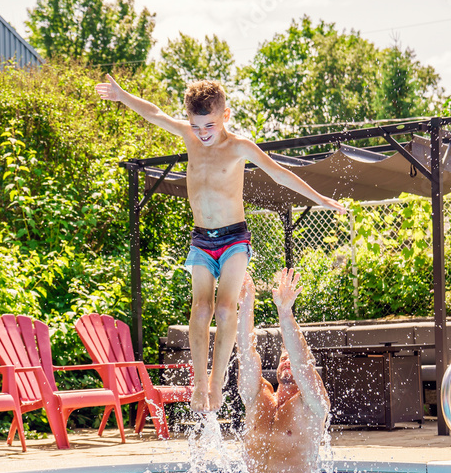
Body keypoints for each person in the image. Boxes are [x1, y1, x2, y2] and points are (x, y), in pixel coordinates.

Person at [94, 75, 345, 414]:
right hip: (201, 238)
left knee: (226, 309)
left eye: (209, 125)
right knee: (201, 309)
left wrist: (319, 199)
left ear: (225, 115)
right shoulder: (189, 136)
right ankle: (199, 384)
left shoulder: (239, 146)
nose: (203, 133)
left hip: (234, 239)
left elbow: (279, 173)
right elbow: (154, 113)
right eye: (197, 126)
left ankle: (215, 383)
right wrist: (123, 96)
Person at [236, 268, 330, 473]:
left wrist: (285, 312)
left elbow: (302, 363)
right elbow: (246, 355)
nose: (287, 361)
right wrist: (246, 304)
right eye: (282, 358)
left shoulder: (313, 406)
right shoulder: (258, 396)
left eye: (292, 357)